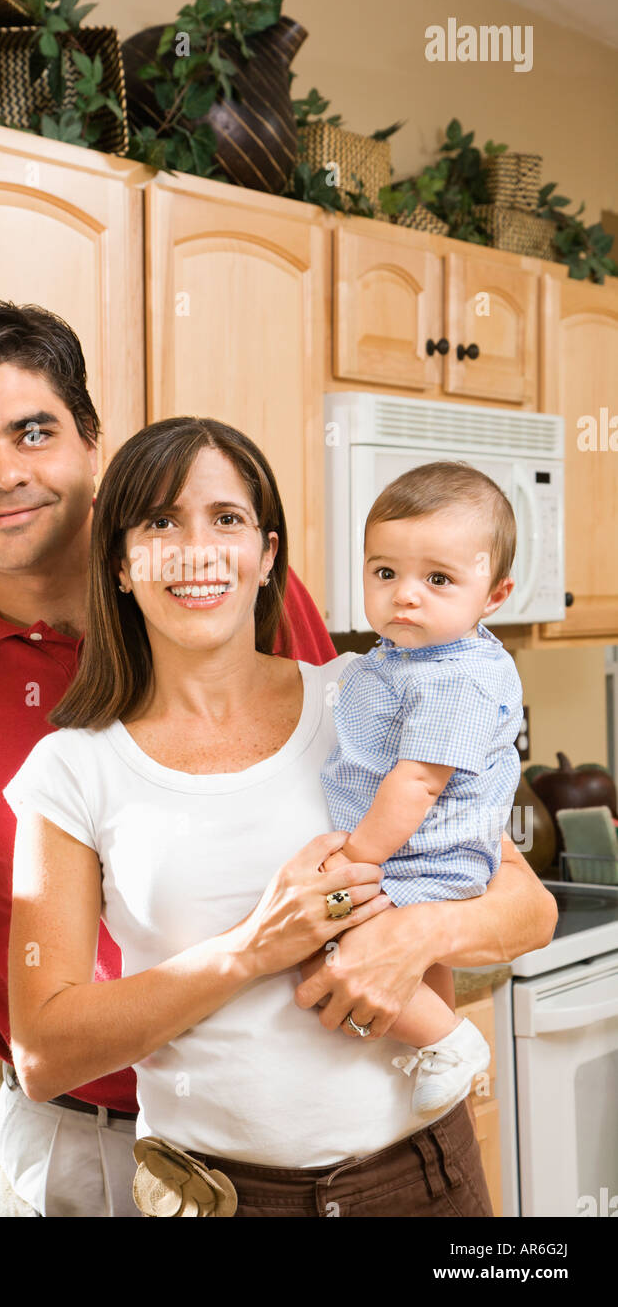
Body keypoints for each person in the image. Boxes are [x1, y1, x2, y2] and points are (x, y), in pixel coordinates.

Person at [0, 297, 336, 1219]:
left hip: (296, 1109)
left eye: (33, 431)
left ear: (91, 441)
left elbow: (360, 824)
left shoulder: (234, 597)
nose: (5, 473)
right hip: (80, 1142)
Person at [4, 416, 558, 1218]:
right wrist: (251, 950)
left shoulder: (365, 697)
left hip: (421, 1180)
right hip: (215, 1198)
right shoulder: (72, 770)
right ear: (121, 564)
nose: (196, 550)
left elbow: (527, 909)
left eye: (226, 520)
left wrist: (416, 935)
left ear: (265, 556)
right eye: (160, 521)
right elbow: (43, 1054)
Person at [319, 461, 525, 1117]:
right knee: (413, 960)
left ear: (492, 595)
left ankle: (450, 1043)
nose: (405, 595)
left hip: (422, 856)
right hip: (420, 853)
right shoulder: (411, 655)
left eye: (437, 579)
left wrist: (358, 861)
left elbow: (415, 781)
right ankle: (432, 1038)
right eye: (385, 573)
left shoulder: (453, 678)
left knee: (330, 945)